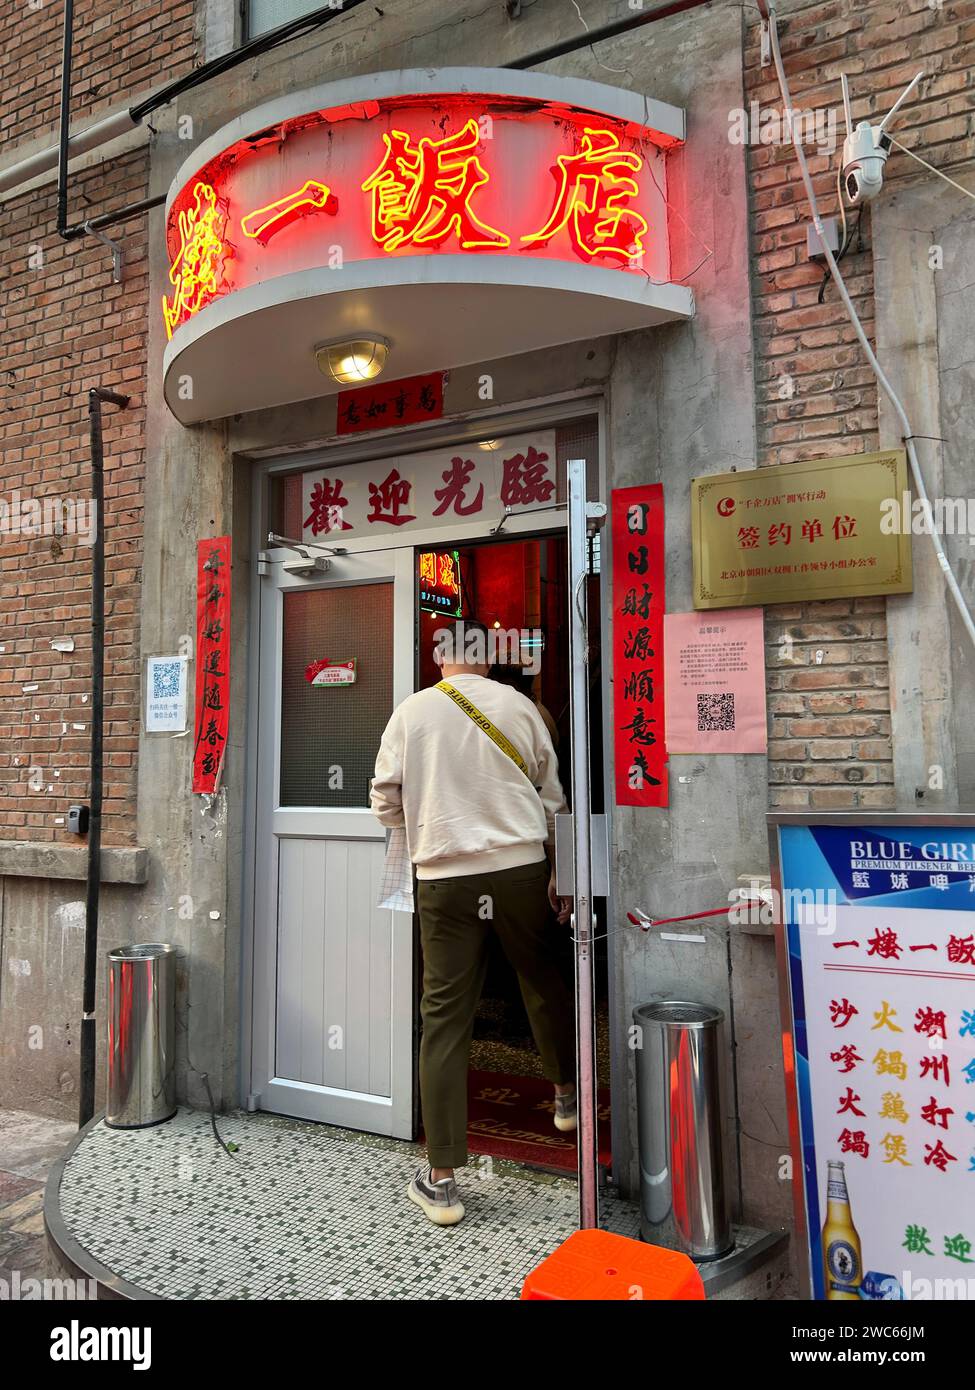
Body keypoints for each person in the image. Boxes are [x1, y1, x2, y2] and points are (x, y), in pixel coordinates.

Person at [370, 617, 577, 1226]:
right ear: (487, 660)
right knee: (543, 981)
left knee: (445, 1019)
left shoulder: (412, 713)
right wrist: (557, 873)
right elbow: (553, 799)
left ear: (441, 660)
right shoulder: (523, 709)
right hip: (518, 869)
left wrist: (422, 818)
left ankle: (442, 1180)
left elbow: (384, 798)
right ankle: (564, 1095)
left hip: (444, 878)